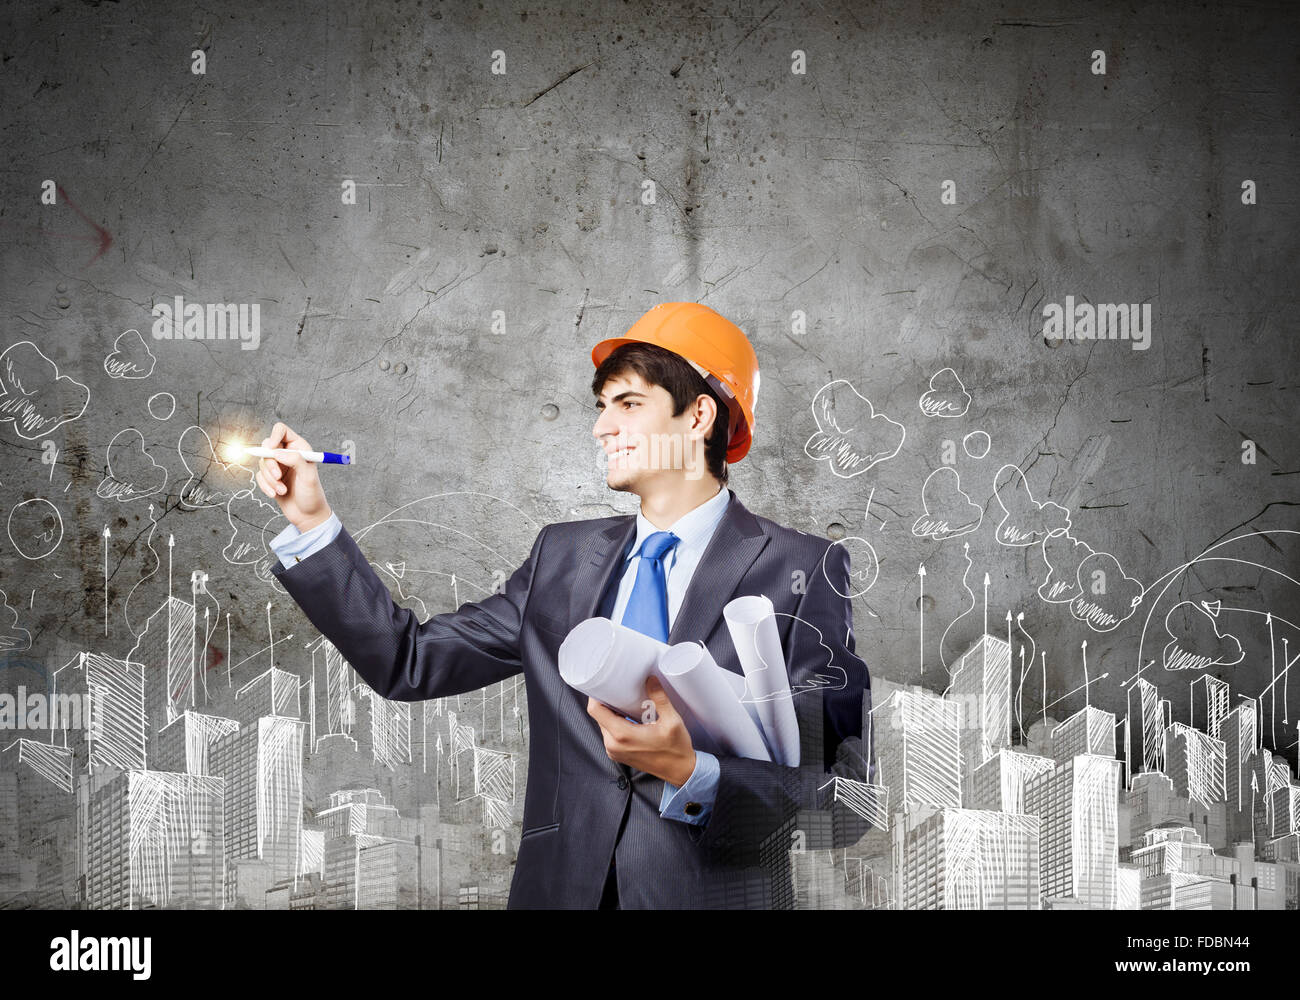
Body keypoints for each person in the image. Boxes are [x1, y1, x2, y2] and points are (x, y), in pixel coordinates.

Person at [256, 301, 874, 909]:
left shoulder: (801, 568)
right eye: (602, 407)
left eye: (629, 404)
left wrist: (696, 776)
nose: (603, 427)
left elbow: (846, 805)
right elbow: (408, 660)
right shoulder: (561, 560)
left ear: (699, 416)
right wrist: (312, 521)